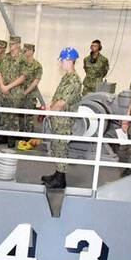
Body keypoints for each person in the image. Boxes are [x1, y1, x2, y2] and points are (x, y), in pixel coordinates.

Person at [40, 48, 84, 190]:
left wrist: (50, 111)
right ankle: (58, 174)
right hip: (58, 118)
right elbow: (57, 98)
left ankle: (60, 180)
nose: (60, 64)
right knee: (57, 147)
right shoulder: (66, 77)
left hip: (64, 120)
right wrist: (49, 107)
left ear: (69, 61)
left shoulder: (74, 80)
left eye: (62, 61)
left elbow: (62, 102)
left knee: (61, 147)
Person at [0, 35, 27, 143]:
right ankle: (3, 135)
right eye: (10, 43)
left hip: (15, 91)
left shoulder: (22, 59)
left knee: (12, 115)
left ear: (18, 44)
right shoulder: (6, 57)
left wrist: (8, 87)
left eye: (13, 44)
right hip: (4, 89)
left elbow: (23, 77)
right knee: (3, 113)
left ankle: (11, 138)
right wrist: (2, 86)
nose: (11, 45)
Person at [20, 42, 44, 147]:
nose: (24, 51)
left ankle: (28, 136)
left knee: (29, 116)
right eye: (24, 49)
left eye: (26, 50)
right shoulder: (21, 63)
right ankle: (19, 134)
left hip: (30, 94)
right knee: (18, 114)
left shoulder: (37, 66)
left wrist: (26, 92)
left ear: (31, 51)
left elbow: (35, 82)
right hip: (18, 92)